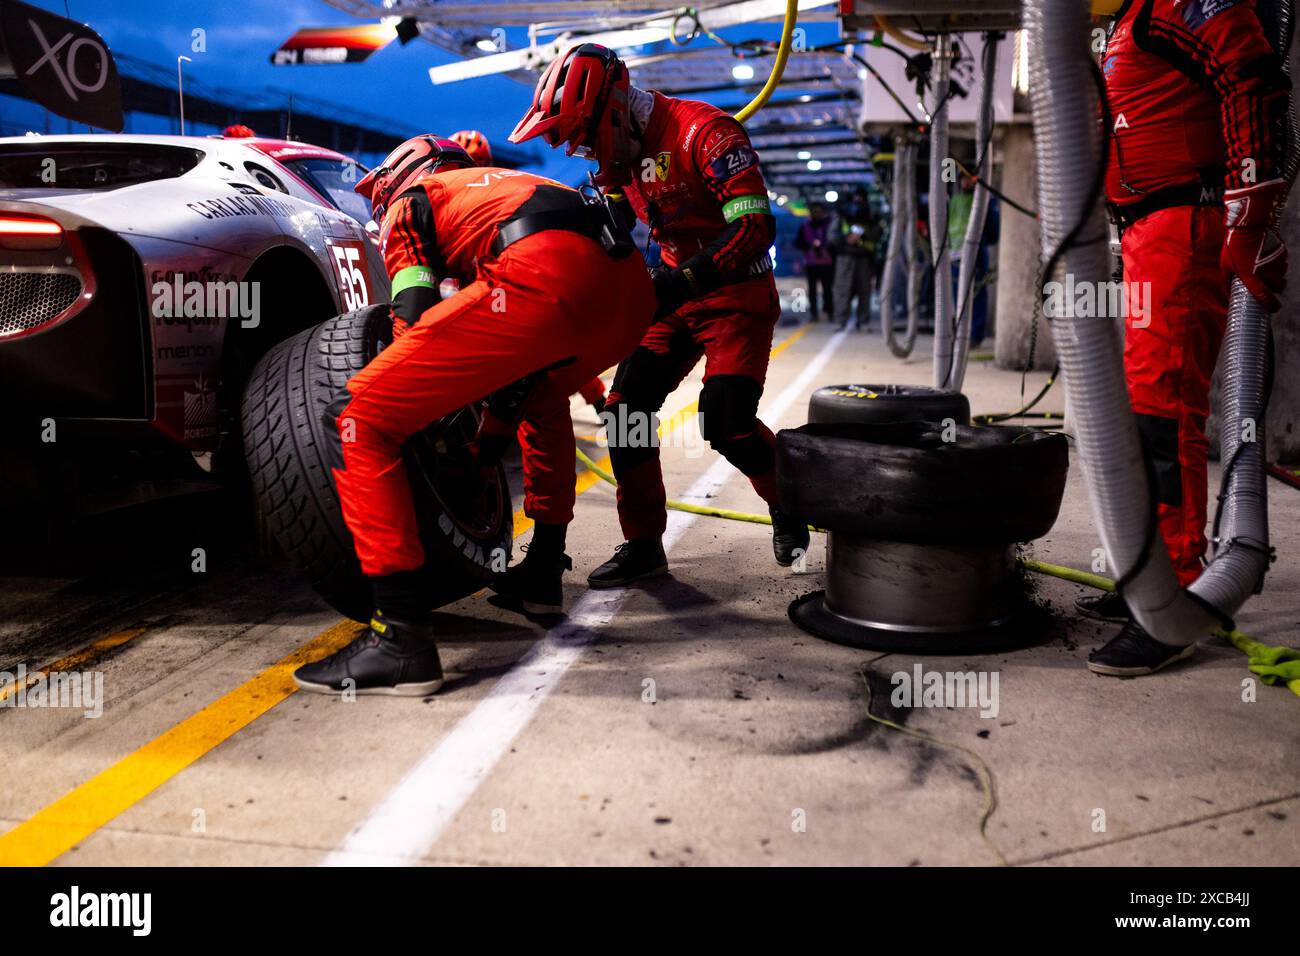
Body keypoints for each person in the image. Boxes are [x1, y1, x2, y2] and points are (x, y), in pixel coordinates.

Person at [292, 135, 655, 696]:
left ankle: (400, 637)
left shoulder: (413, 201)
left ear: (395, 177)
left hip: (546, 282)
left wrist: (414, 413)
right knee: (540, 401)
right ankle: (543, 568)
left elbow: (412, 315)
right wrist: (488, 443)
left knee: (362, 419)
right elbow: (528, 332)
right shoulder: (509, 186)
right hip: (629, 297)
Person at [510, 43, 810, 587]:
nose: (593, 158)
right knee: (625, 412)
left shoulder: (706, 133)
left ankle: (787, 504)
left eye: (589, 140)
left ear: (617, 106)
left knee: (725, 422)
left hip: (735, 299)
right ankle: (644, 544)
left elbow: (755, 230)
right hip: (673, 301)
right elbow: (614, 227)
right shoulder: (616, 152)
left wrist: (681, 281)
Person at [1081, 0, 1289, 676]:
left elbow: (1249, 77)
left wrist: (1252, 213)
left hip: (1183, 223)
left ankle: (1172, 594)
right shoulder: (1132, 15)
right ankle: (1150, 574)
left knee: (1164, 410)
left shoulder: (1181, 1)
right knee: (1143, 409)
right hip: (1146, 229)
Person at [452, 127, 610, 415]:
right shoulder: (456, 202)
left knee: (555, 347)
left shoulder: (499, 191)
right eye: (467, 165)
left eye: (477, 164)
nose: (472, 171)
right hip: (476, 288)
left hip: (508, 279)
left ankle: (599, 403)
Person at [947, 172, 1001, 346]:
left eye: (968, 178)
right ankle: (961, 335)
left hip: (976, 255)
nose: (964, 182)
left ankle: (975, 336)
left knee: (976, 294)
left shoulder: (985, 200)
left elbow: (994, 231)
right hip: (955, 254)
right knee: (958, 295)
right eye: (962, 178)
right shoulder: (954, 201)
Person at [828, 188, 877, 330]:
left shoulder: (871, 216)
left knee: (864, 290)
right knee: (842, 289)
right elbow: (831, 236)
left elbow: (877, 233)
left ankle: (863, 321)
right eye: (855, 198)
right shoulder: (841, 217)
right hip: (845, 257)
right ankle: (840, 321)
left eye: (861, 198)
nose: (858, 202)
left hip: (864, 258)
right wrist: (846, 239)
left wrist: (863, 237)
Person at [793, 201, 835, 321]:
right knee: (812, 289)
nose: (816, 214)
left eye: (819, 211)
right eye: (814, 211)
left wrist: (825, 247)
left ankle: (829, 310)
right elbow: (797, 243)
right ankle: (814, 313)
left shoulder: (829, 225)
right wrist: (809, 246)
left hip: (826, 262)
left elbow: (834, 242)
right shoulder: (805, 226)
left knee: (827, 288)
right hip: (811, 262)